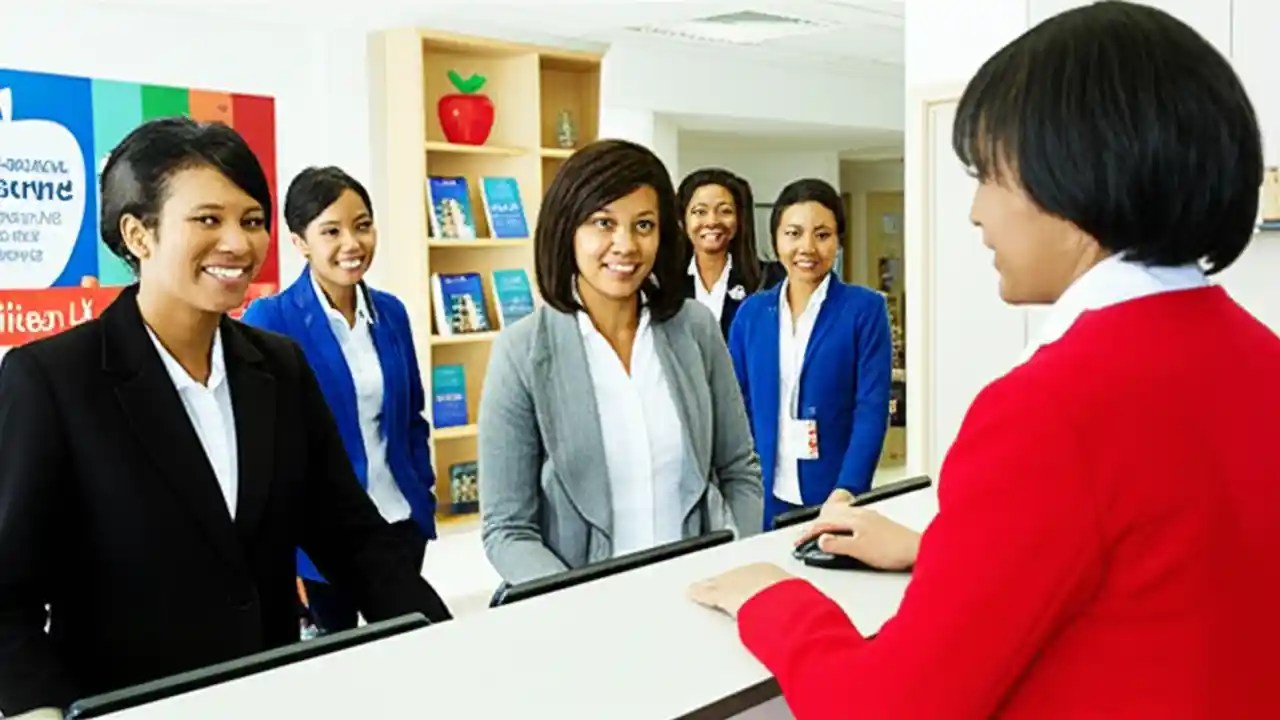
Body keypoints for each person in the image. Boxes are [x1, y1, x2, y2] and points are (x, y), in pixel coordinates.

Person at [688, 3, 1280, 718]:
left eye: (988, 176)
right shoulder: (1257, 356)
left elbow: (886, 708)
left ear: (1074, 176)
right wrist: (937, 552)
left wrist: (775, 602)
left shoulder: (1049, 409)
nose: (975, 212)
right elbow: (1149, 570)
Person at [0, 118, 452, 718]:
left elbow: (352, 539)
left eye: (252, 220)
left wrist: (450, 647)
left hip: (267, 695)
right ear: (139, 234)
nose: (238, 243)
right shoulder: (52, 379)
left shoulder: (279, 368)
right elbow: (9, 600)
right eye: (208, 220)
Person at [478, 139, 764, 586]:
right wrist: (583, 605)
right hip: (582, 611)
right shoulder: (522, 352)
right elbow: (508, 529)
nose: (626, 245)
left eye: (643, 225)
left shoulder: (696, 329)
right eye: (603, 223)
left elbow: (738, 470)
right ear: (566, 229)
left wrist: (732, 565)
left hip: (702, 593)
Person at [241, 167, 438, 634]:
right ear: (299, 241)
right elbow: (266, 450)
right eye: (331, 230)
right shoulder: (270, 319)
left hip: (399, 519)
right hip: (321, 541)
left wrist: (422, 493)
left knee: (411, 644)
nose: (352, 243)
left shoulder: (390, 312)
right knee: (340, 659)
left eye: (362, 225)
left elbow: (411, 417)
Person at [727, 178, 892, 528]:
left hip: (833, 493)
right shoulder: (753, 313)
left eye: (822, 234)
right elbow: (735, 405)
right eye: (793, 233)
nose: (807, 247)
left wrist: (848, 488)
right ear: (775, 239)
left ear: (838, 240)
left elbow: (871, 408)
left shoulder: (864, 309)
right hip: (763, 491)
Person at [677, 168, 783, 337]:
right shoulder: (665, 285)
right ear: (682, 220)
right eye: (700, 212)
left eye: (725, 211)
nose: (712, 221)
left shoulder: (769, 281)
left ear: (740, 219)